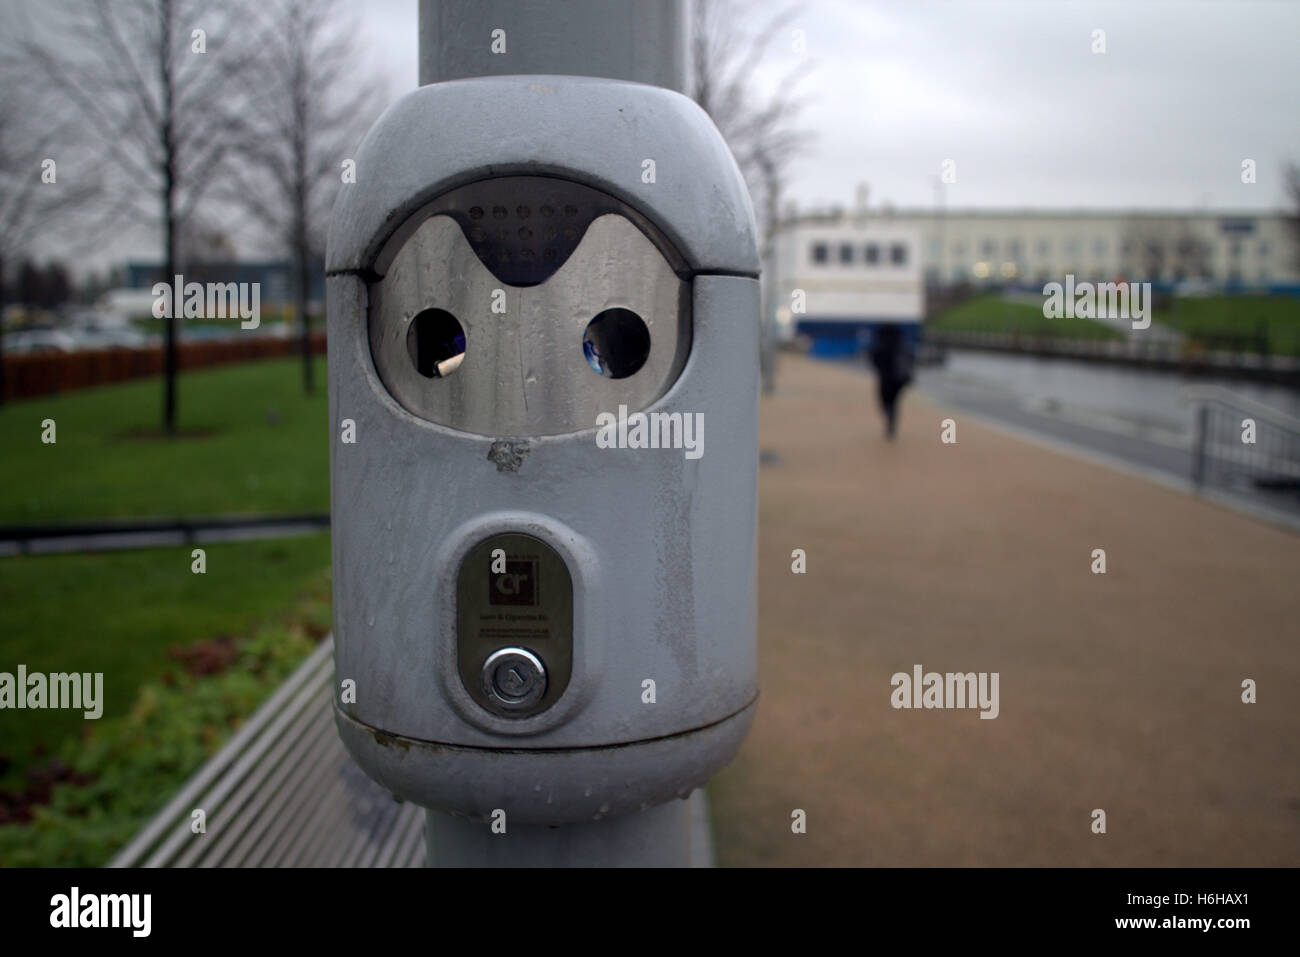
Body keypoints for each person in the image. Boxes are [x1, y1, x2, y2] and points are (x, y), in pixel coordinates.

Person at [867, 323, 915, 439]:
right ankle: (891, 421)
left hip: (885, 379)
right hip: (900, 380)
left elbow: (873, 360)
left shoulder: (880, 344)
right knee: (894, 402)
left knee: (884, 402)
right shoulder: (903, 344)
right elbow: (911, 359)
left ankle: (890, 419)